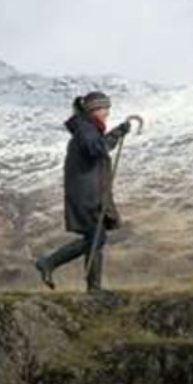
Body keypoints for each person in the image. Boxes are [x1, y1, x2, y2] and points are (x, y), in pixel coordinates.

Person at [34, 91, 133, 292]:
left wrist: (114, 135)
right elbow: (96, 149)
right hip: (88, 194)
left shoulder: (86, 129)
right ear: (94, 110)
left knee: (94, 238)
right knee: (96, 238)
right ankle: (50, 263)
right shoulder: (86, 129)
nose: (107, 113)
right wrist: (116, 134)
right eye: (104, 109)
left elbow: (97, 147)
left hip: (87, 192)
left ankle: (93, 287)